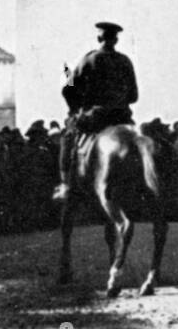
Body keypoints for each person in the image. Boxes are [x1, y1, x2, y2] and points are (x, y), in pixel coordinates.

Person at [55, 21, 139, 202]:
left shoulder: (89, 59)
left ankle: (66, 186)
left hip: (96, 117)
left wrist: (74, 99)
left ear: (99, 37)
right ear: (116, 39)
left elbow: (70, 89)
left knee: (67, 138)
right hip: (123, 118)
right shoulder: (125, 61)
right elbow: (134, 96)